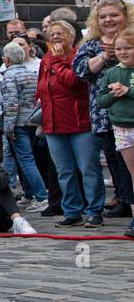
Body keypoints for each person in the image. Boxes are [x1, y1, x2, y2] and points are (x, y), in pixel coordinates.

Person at [37, 20, 105, 228]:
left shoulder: (78, 56)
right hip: (53, 124)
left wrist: (58, 62)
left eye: (60, 33)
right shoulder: (46, 59)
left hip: (79, 123)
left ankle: (94, 211)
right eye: (52, 34)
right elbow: (41, 88)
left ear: (71, 36)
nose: (55, 37)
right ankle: (72, 211)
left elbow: (74, 81)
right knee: (64, 171)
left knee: (88, 169)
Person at [73, 0, 134, 220]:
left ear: (125, 16)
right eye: (103, 16)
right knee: (115, 161)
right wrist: (104, 55)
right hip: (105, 114)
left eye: (114, 15)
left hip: (131, 110)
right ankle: (123, 200)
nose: (108, 20)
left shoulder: (132, 38)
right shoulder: (91, 43)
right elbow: (80, 71)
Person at [94, 28, 134, 239]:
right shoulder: (111, 72)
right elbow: (101, 101)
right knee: (131, 173)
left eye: (128, 48)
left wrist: (128, 91)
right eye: (119, 48)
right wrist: (113, 93)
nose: (123, 52)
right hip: (122, 127)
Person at [0, 41, 48, 209]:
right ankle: (28, 194)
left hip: (18, 124)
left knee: (26, 160)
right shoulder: (31, 74)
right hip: (32, 121)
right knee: (24, 160)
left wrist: (8, 128)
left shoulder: (9, 77)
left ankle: (41, 197)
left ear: (7, 59)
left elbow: (11, 104)